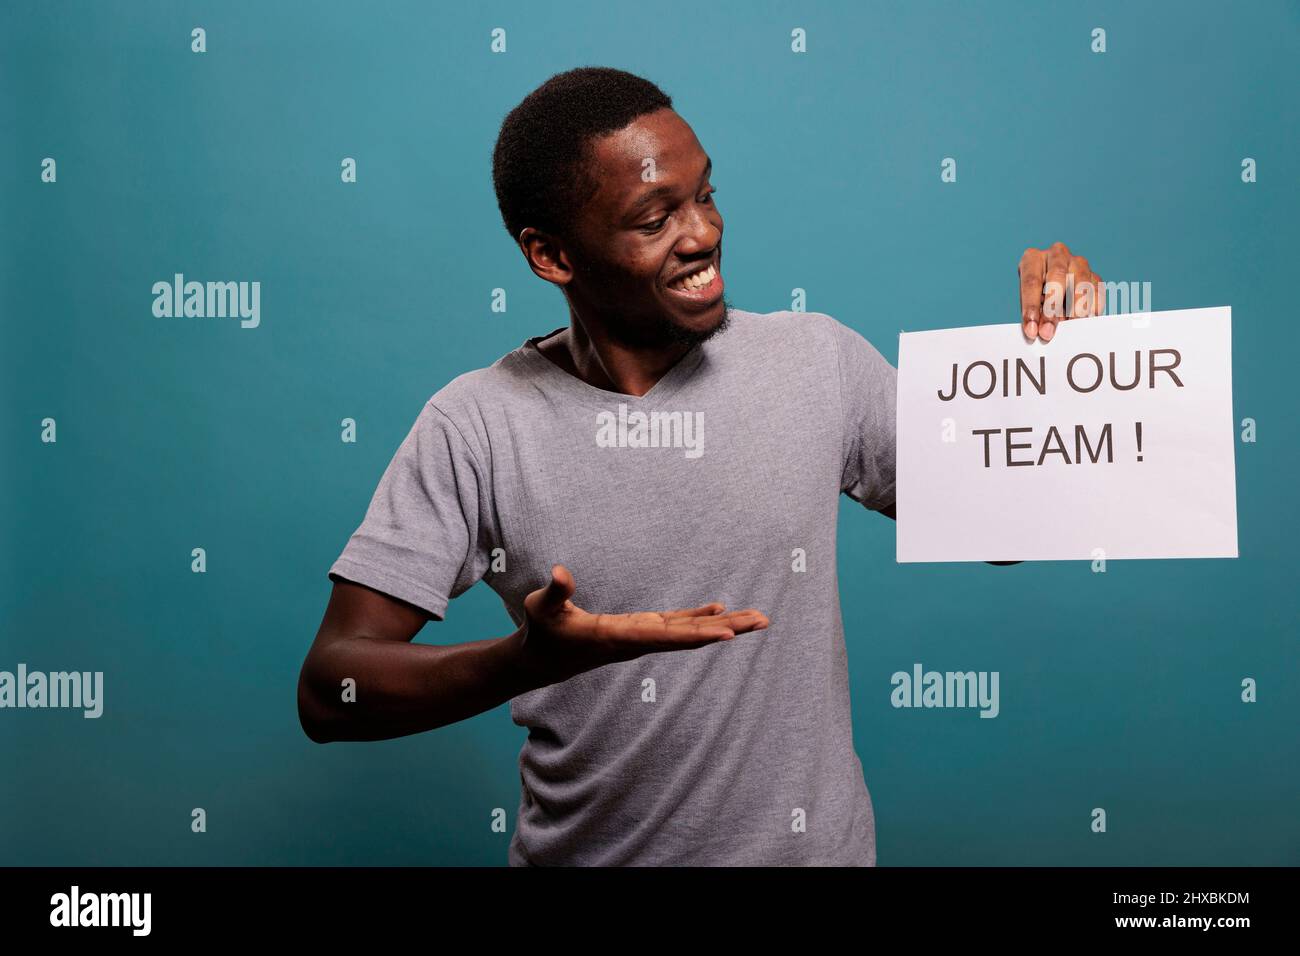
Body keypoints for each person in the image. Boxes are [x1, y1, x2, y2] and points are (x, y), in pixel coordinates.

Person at [296, 66, 1107, 866]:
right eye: (655, 218)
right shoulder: (476, 425)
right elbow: (332, 690)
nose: (703, 234)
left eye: (706, 196)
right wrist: (524, 663)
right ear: (550, 254)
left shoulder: (815, 361)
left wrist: (1062, 363)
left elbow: (1005, 528)